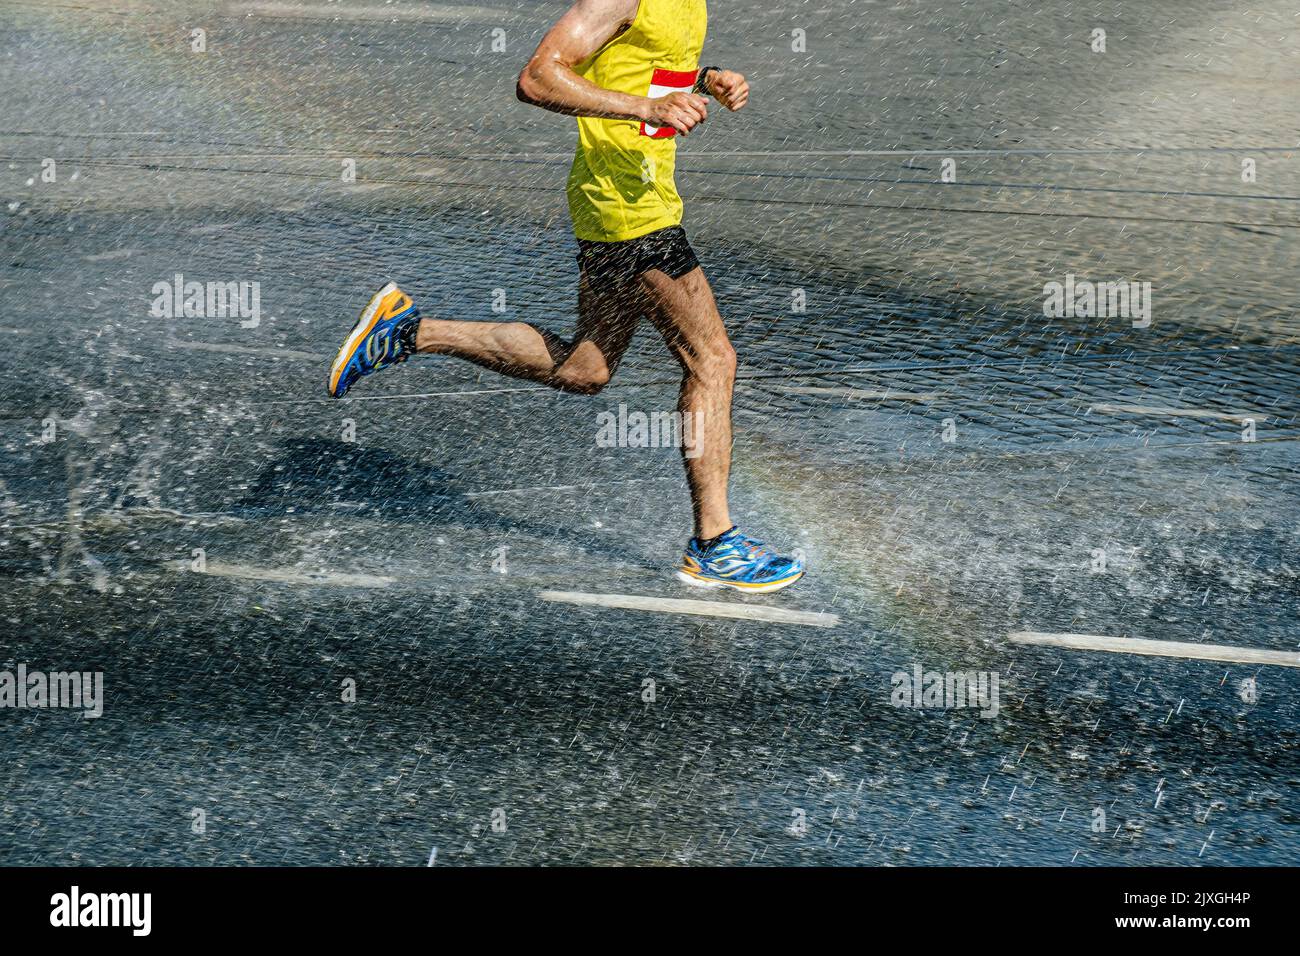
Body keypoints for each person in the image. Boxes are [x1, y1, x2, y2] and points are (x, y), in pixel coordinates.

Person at [327, 0, 804, 593]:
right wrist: (645, 108)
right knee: (713, 360)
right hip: (630, 211)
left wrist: (706, 78)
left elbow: (634, 61)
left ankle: (407, 330)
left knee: (585, 369)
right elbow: (537, 76)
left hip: (630, 206)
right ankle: (715, 542)